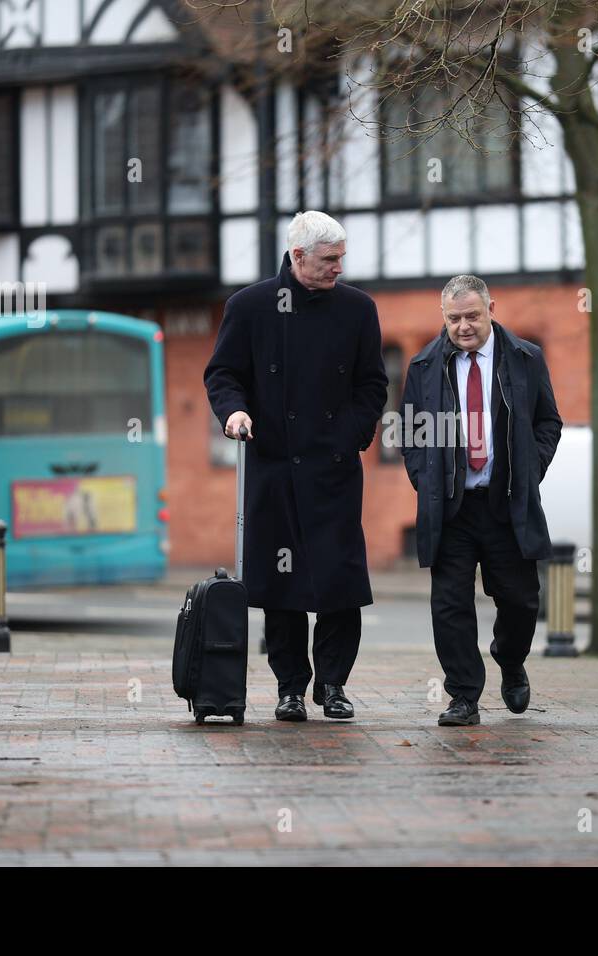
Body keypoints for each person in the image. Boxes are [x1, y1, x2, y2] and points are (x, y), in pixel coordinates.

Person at [204, 211, 388, 722]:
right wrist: (234, 410)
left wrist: (349, 434)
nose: (339, 269)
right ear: (298, 256)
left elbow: (372, 385)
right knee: (279, 587)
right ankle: (290, 687)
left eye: (342, 259)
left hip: (332, 470)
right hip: (273, 468)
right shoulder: (250, 306)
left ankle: (333, 685)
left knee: (339, 583)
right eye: (330, 260)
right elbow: (222, 373)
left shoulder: (357, 310)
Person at [401, 275, 562, 726]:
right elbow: (411, 433)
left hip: (506, 501)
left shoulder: (525, 358)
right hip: (451, 507)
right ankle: (464, 697)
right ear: (444, 318)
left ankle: (510, 661)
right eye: (454, 318)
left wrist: (530, 473)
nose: (464, 326)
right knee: (450, 604)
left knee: (520, 600)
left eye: (472, 315)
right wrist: (425, 480)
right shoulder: (424, 365)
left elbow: (549, 422)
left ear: (492, 307)